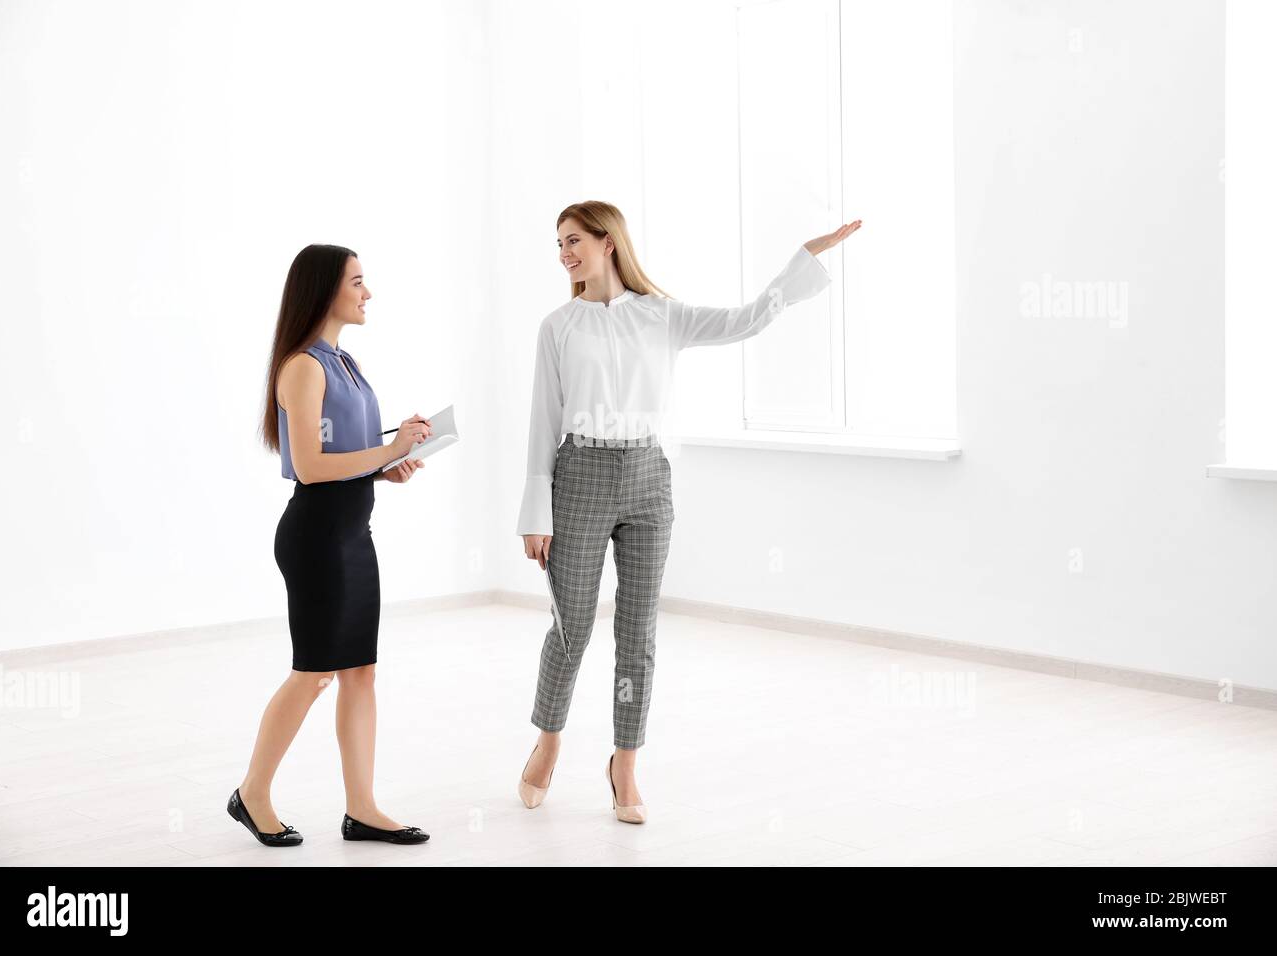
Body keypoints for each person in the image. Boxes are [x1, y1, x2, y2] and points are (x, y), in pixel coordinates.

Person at [515, 201, 862, 822]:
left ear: (607, 243)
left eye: (573, 240)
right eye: (558, 244)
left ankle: (624, 762)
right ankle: (547, 739)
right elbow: (543, 421)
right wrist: (534, 513)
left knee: (638, 630)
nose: (564, 253)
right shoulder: (558, 326)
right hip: (580, 476)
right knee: (571, 627)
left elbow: (747, 321)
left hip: (649, 478)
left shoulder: (661, 316)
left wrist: (802, 261)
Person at [226, 244, 433, 847]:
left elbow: (346, 458)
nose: (368, 294)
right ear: (324, 291)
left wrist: (387, 467)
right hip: (316, 536)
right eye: (359, 282)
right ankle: (252, 793)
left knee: (360, 673)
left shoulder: (347, 363)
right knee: (314, 673)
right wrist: (390, 451)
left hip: (352, 534)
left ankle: (362, 808)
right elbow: (313, 467)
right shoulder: (303, 366)